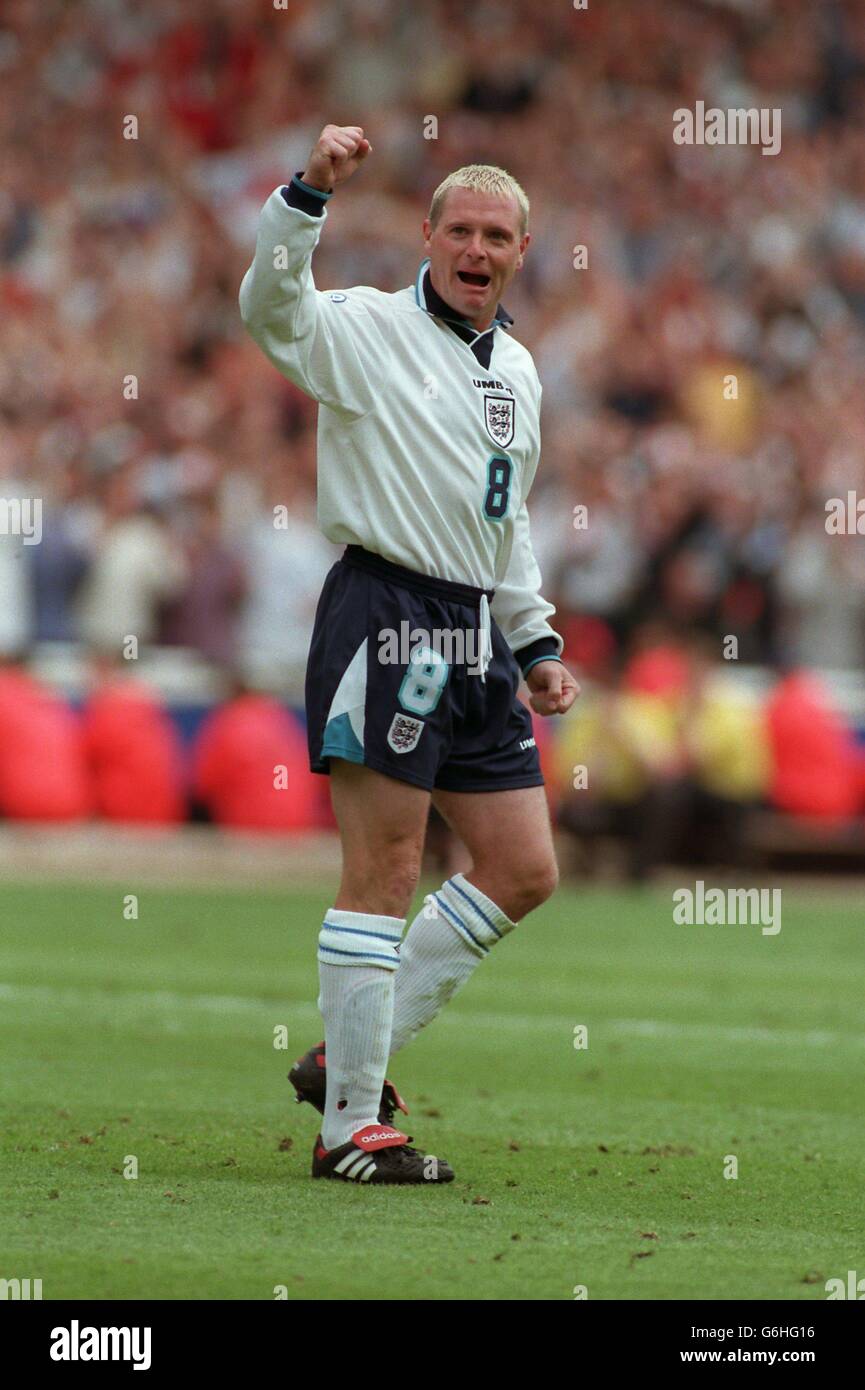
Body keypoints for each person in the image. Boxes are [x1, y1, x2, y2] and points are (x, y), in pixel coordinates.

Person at [240, 124, 579, 1186]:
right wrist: (307, 196)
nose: (475, 248)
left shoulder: (518, 370)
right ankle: (348, 1129)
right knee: (384, 869)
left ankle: (346, 1057)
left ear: (523, 250)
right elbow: (269, 309)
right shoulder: (365, 328)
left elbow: (505, 517)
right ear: (427, 236)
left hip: (475, 629)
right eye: (459, 230)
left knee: (524, 870)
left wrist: (532, 640)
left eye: (497, 235)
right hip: (386, 614)